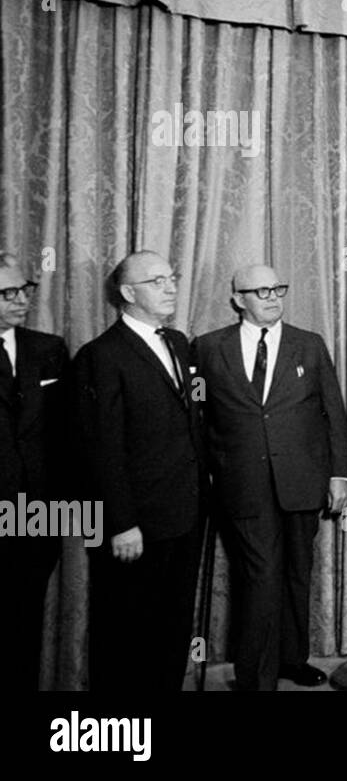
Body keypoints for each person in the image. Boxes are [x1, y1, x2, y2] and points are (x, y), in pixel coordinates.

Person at [192, 264, 347, 690]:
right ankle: (255, 678)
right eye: (260, 291)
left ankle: (291, 660)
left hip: (302, 480)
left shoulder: (310, 345)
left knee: (298, 572)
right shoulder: (206, 348)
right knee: (260, 577)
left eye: (278, 288)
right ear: (238, 300)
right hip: (241, 483)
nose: (273, 297)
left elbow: (333, 414)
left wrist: (340, 476)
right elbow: (196, 417)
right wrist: (205, 474)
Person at [74, 251, 204, 691]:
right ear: (128, 294)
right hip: (136, 526)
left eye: (172, 277)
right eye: (157, 281)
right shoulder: (100, 356)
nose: (171, 287)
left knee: (172, 628)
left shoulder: (179, 342)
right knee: (125, 633)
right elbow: (100, 449)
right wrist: (122, 522)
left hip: (185, 515)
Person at [0, 253, 70, 690]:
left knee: (26, 617)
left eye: (25, 290)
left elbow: (66, 434)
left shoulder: (49, 349)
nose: (21, 299)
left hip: (39, 515)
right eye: (8, 293)